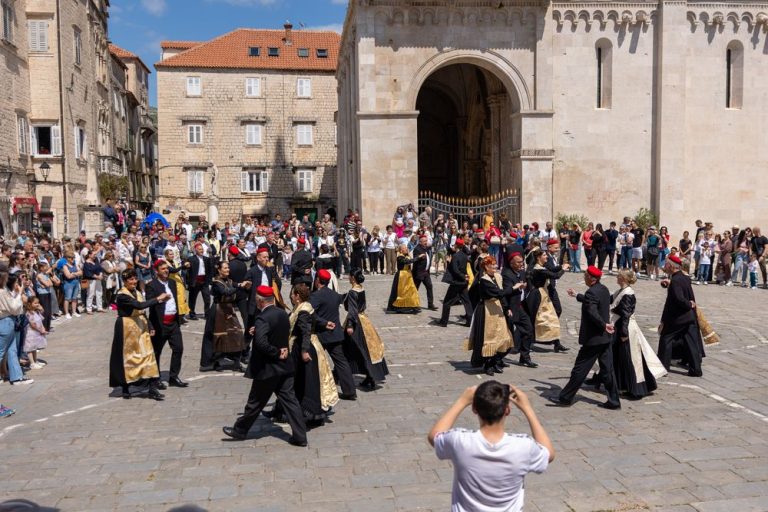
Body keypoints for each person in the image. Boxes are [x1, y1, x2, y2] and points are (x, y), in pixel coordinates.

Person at [428, 382, 554, 512]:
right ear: (507, 410)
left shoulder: (459, 441)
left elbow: (434, 436)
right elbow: (549, 453)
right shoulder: (524, 446)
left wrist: (462, 401)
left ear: (474, 409)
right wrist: (528, 408)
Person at [222, 285, 308, 447]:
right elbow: (278, 332)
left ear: (260, 301)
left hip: (268, 368)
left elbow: (261, 344)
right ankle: (300, 436)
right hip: (285, 366)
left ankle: (240, 430)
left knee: (255, 402)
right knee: (290, 401)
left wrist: (275, 352)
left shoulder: (262, 318)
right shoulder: (282, 313)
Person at [266, 283, 338, 428]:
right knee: (294, 381)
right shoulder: (304, 306)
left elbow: (305, 332)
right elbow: (315, 319)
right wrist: (325, 324)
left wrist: (304, 351)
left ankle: (301, 413)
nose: (291, 296)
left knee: (299, 382)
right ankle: (281, 409)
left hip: (303, 349)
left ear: (297, 296)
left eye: (292, 294)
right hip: (304, 346)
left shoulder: (303, 310)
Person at [552, 266, 621, 409]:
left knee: (580, 369)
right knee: (607, 370)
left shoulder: (591, 292)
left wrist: (603, 325)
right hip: (605, 339)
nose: (584, 278)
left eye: (585, 275)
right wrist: (577, 295)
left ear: (591, 278)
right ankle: (614, 401)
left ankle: (565, 397)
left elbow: (592, 311)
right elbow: (594, 302)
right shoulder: (603, 289)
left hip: (594, 339)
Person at [109, 269, 170, 400]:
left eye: (135, 279)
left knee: (148, 355)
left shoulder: (137, 292)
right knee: (129, 357)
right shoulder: (121, 295)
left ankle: (152, 387)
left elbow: (142, 312)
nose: (133, 282)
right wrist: (158, 299)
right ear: (124, 281)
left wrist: (150, 325)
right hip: (127, 328)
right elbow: (139, 306)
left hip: (140, 326)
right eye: (130, 280)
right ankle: (126, 387)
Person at [606, 270, 667, 399]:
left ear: (623, 278)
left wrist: (623, 332)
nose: (616, 277)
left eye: (618, 276)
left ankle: (635, 388)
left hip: (626, 329)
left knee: (630, 358)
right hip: (620, 326)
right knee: (619, 356)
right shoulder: (620, 291)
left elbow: (625, 315)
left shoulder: (628, 294)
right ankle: (620, 384)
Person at [309, 269, 357, 400]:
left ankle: (312, 390)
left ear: (318, 280)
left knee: (312, 362)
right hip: (335, 334)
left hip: (321, 335)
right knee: (341, 362)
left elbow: (311, 313)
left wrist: (323, 322)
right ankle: (350, 391)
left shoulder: (315, 296)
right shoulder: (335, 295)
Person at [657, 254, 704, 377]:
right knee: (691, 342)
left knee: (665, 339)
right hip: (689, 317)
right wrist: (669, 283)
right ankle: (696, 369)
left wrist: (689, 304)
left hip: (678, 318)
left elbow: (679, 298)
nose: (664, 267)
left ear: (672, 266)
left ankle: (663, 368)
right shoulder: (683, 277)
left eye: (666, 264)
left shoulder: (676, 280)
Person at [465, 256, 513, 376]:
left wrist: (507, 308)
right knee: (488, 337)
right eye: (493, 265)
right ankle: (488, 364)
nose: (496, 267)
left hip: (498, 309)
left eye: (496, 264)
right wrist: (513, 288)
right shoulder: (483, 280)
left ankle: (496, 360)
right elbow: (498, 293)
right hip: (486, 310)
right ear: (486, 267)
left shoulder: (498, 276)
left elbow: (502, 295)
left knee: (503, 335)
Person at [145, 260, 188, 387]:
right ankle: (155, 378)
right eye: (163, 269)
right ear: (156, 271)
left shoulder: (172, 283)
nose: (166, 270)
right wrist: (159, 299)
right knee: (157, 352)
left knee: (178, 348)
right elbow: (149, 302)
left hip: (173, 323)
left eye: (167, 268)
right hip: (160, 323)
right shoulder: (151, 285)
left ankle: (173, 377)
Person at [344, 268, 388, 389]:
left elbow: (352, 310)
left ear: (353, 278)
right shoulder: (361, 288)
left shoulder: (353, 291)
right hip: (364, 319)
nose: (348, 277)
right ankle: (369, 375)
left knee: (357, 349)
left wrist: (349, 325)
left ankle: (347, 374)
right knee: (367, 349)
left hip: (356, 322)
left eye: (349, 275)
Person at [200, 261, 248, 371]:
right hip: (217, 310)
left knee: (237, 334)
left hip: (228, 310)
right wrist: (240, 286)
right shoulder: (216, 283)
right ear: (219, 270)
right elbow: (226, 292)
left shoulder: (230, 281)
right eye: (225, 268)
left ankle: (236, 362)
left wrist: (246, 285)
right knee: (213, 335)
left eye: (228, 268)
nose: (228, 270)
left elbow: (235, 286)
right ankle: (209, 362)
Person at [525, 248, 569, 353]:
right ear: (538, 257)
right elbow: (555, 275)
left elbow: (553, 270)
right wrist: (564, 269)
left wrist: (561, 266)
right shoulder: (538, 270)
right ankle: (529, 342)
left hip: (544, 295)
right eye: (544, 255)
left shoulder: (542, 267)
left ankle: (556, 343)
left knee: (551, 318)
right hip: (539, 296)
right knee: (537, 319)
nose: (547, 257)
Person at [501, 252, 537, 368]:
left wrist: (525, 286)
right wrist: (507, 308)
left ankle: (525, 358)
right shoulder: (507, 274)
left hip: (520, 306)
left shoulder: (521, 272)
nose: (522, 264)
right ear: (511, 264)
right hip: (511, 308)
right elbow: (505, 293)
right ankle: (497, 359)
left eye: (522, 262)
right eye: (519, 262)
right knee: (507, 335)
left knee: (528, 329)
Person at [434, 239, 472, 327]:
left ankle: (444, 321)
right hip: (463, 282)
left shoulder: (455, 256)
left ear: (456, 246)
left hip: (457, 282)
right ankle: (470, 321)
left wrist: (449, 262)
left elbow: (455, 270)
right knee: (467, 301)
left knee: (447, 302)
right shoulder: (464, 255)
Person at [386, 244, 421, 314]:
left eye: (406, 248)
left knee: (412, 291)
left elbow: (409, 260)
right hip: (402, 276)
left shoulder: (406, 255)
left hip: (408, 275)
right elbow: (407, 262)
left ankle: (412, 305)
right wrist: (418, 257)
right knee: (401, 292)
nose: (406, 249)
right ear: (401, 250)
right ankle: (397, 307)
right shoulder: (400, 257)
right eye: (405, 248)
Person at [185, 242, 213, 321]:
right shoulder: (191, 259)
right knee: (192, 299)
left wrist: (209, 280)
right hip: (195, 281)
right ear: (196, 250)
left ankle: (207, 313)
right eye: (200, 249)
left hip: (204, 281)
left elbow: (210, 270)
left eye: (202, 249)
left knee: (207, 298)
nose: (202, 250)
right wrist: (188, 282)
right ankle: (192, 313)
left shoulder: (206, 259)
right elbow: (187, 271)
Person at [162, 247, 190, 320]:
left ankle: (182, 315)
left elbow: (178, 269)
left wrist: (186, 267)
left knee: (182, 298)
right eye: (170, 254)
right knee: (175, 299)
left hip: (178, 282)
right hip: (171, 283)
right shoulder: (165, 263)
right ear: (166, 255)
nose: (172, 255)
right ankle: (177, 315)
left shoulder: (174, 261)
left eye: (172, 254)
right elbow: (173, 270)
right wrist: (183, 266)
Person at [412, 235, 437, 311]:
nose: (426, 242)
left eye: (426, 241)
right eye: (424, 241)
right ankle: (414, 305)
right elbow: (415, 258)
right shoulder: (417, 249)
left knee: (429, 286)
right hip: (418, 273)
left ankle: (430, 304)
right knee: (415, 289)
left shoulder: (426, 248)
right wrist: (419, 257)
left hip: (426, 272)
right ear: (420, 242)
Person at [24, 296, 48, 370]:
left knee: (34, 348)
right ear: (30, 304)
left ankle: (35, 360)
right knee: (30, 348)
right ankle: (32, 363)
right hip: (30, 333)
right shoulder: (29, 313)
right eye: (35, 303)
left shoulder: (36, 311)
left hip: (36, 333)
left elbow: (42, 314)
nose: (37, 304)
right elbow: (33, 325)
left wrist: (40, 307)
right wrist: (41, 330)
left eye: (38, 303)